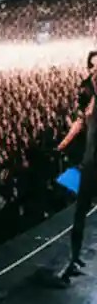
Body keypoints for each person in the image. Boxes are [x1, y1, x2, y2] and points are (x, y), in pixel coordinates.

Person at [58, 50, 97, 281]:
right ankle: (74, 258)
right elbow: (80, 120)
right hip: (91, 159)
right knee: (80, 211)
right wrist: (64, 143)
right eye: (93, 66)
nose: (96, 70)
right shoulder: (85, 91)